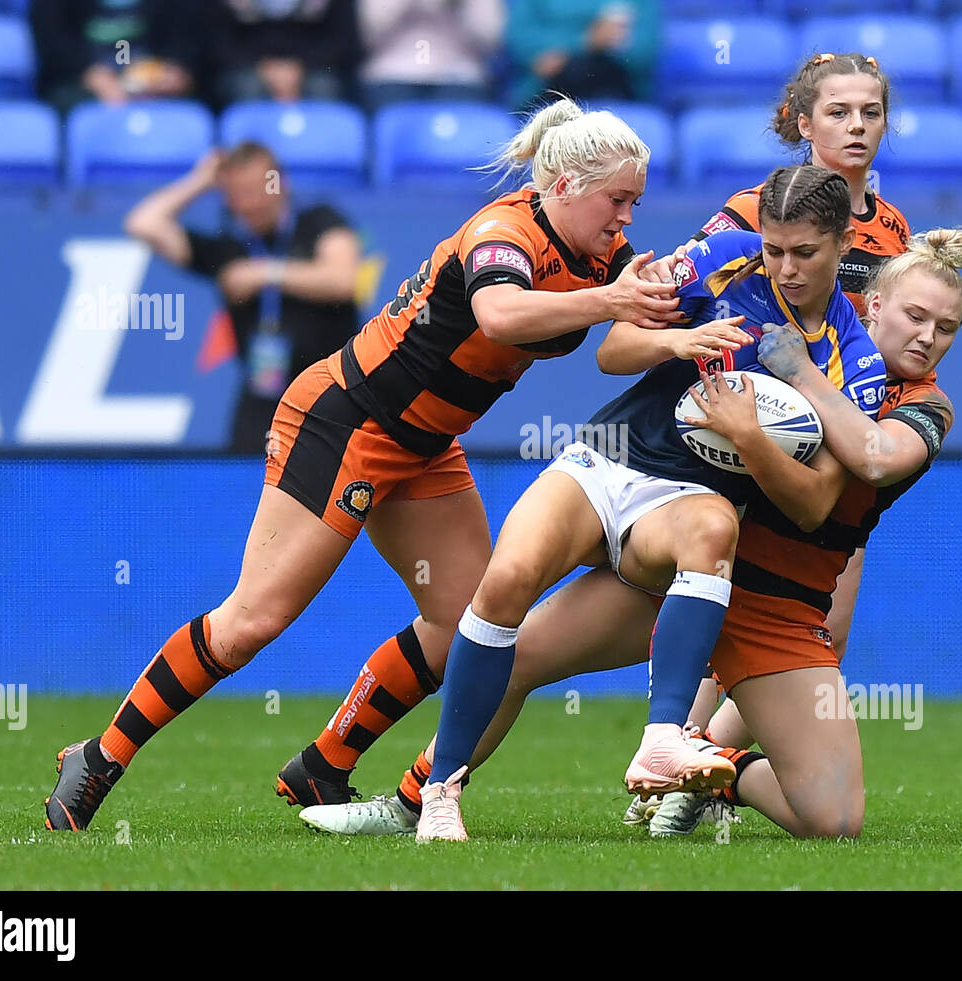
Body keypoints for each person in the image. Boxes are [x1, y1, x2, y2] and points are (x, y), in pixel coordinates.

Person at [44, 100, 676, 831]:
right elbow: (501, 315)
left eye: (634, 202)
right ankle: (97, 754)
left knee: (469, 624)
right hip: (345, 420)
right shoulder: (503, 231)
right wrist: (613, 298)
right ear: (564, 185)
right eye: (617, 200)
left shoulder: (601, 256)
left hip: (425, 443)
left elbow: (629, 321)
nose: (627, 220)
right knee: (251, 621)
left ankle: (323, 767)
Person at [299, 227, 962, 840]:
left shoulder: (919, 404)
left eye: (946, 327)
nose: (927, 336)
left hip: (778, 611)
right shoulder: (794, 323)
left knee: (836, 820)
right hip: (688, 571)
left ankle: (720, 771)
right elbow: (632, 339)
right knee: (516, 652)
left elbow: (851, 477)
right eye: (915, 316)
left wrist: (794, 384)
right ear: (873, 305)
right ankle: (419, 798)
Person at [663, 51, 911, 774]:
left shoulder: (891, 226)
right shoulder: (754, 210)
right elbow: (685, 288)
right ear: (804, 122)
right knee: (733, 608)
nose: (856, 126)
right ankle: (672, 752)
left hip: (838, 443)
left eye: (871, 113)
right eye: (838, 112)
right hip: (749, 436)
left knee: (820, 633)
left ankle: (704, 763)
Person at [123, 142, 361, 453]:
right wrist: (200, 181)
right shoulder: (229, 248)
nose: (250, 202)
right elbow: (143, 224)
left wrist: (264, 273)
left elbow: (344, 279)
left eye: (257, 188)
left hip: (332, 393)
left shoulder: (318, 220)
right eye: (239, 192)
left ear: (280, 184)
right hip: (264, 397)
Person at [30, 0, 202, 114]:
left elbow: (185, 41)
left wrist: (176, 69)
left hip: (155, 84)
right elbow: (53, 42)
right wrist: (91, 75)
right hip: (82, 84)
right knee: (69, 103)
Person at [505, 1, 658, 110]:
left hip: (620, 91)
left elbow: (646, 50)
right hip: (546, 92)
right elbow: (521, 42)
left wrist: (611, 40)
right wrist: (588, 40)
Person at [358, 0, 505, 112]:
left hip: (461, 75)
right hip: (391, 76)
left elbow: (492, 41)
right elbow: (365, 37)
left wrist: (459, 5)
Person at [207, 0, 358, 106]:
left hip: (314, 66)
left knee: (324, 88)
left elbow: (342, 38)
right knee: (247, 88)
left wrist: (300, 66)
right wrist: (263, 66)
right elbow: (218, 38)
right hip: (248, 65)